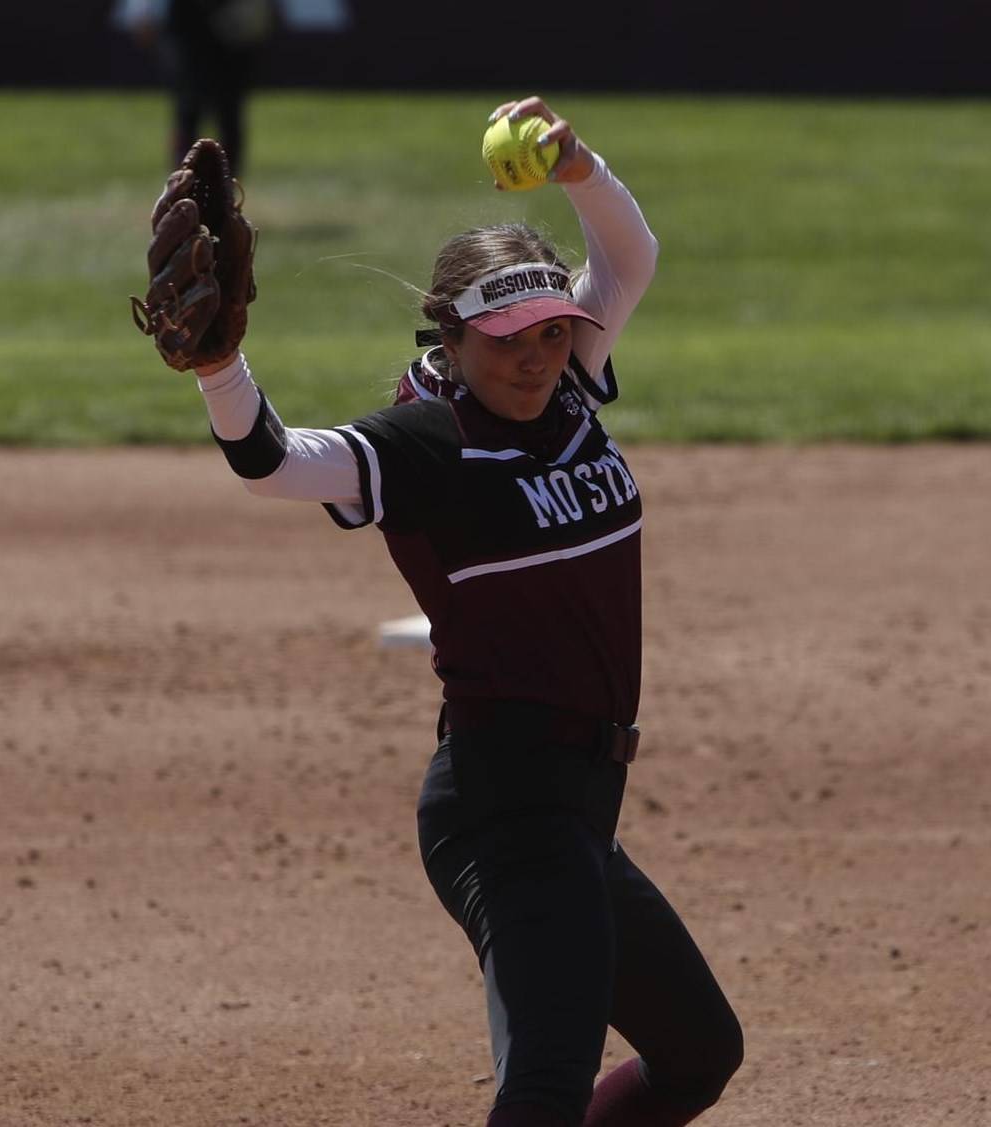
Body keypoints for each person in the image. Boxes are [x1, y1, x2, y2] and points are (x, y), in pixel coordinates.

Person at [175, 96, 744, 1127]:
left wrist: (576, 165)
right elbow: (272, 462)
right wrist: (221, 367)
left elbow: (629, 258)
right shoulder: (426, 444)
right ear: (451, 332)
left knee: (699, 1048)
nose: (534, 356)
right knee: (544, 1085)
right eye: (506, 339)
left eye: (551, 332)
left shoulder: (569, 391)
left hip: (579, 803)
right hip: (506, 804)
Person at [113, 0, 271, 171]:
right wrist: (143, 11)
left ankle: (228, 180)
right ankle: (182, 177)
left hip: (232, 21)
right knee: (189, 101)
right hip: (187, 21)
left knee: (229, 107)